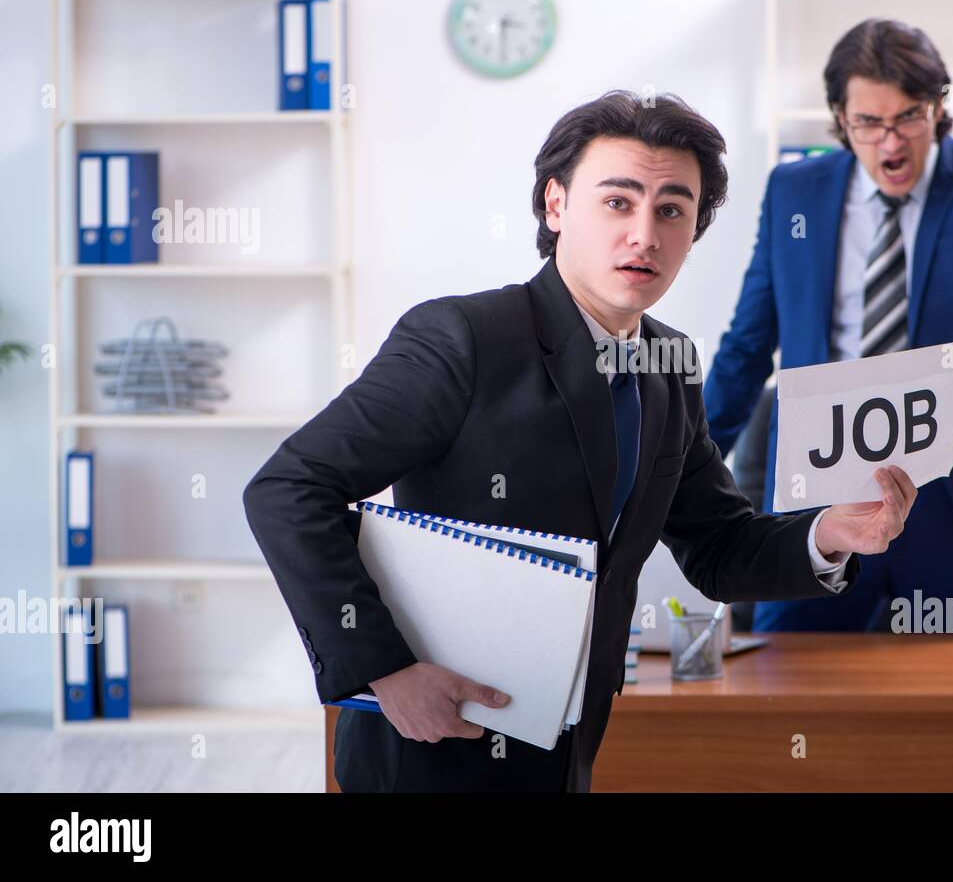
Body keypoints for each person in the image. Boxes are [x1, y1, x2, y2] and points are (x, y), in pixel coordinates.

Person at [243, 90, 918, 792]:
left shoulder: (669, 365)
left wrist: (831, 535)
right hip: (431, 748)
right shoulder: (463, 338)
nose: (645, 235)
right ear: (556, 205)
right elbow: (289, 489)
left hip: (567, 752)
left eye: (672, 210)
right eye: (618, 202)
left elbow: (718, 546)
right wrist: (383, 672)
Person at [703, 19, 953, 635]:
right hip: (823, 497)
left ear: (939, 107)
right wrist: (680, 466)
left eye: (909, 118)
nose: (890, 143)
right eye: (868, 123)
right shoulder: (795, 190)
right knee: (790, 687)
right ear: (839, 119)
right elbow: (748, 344)